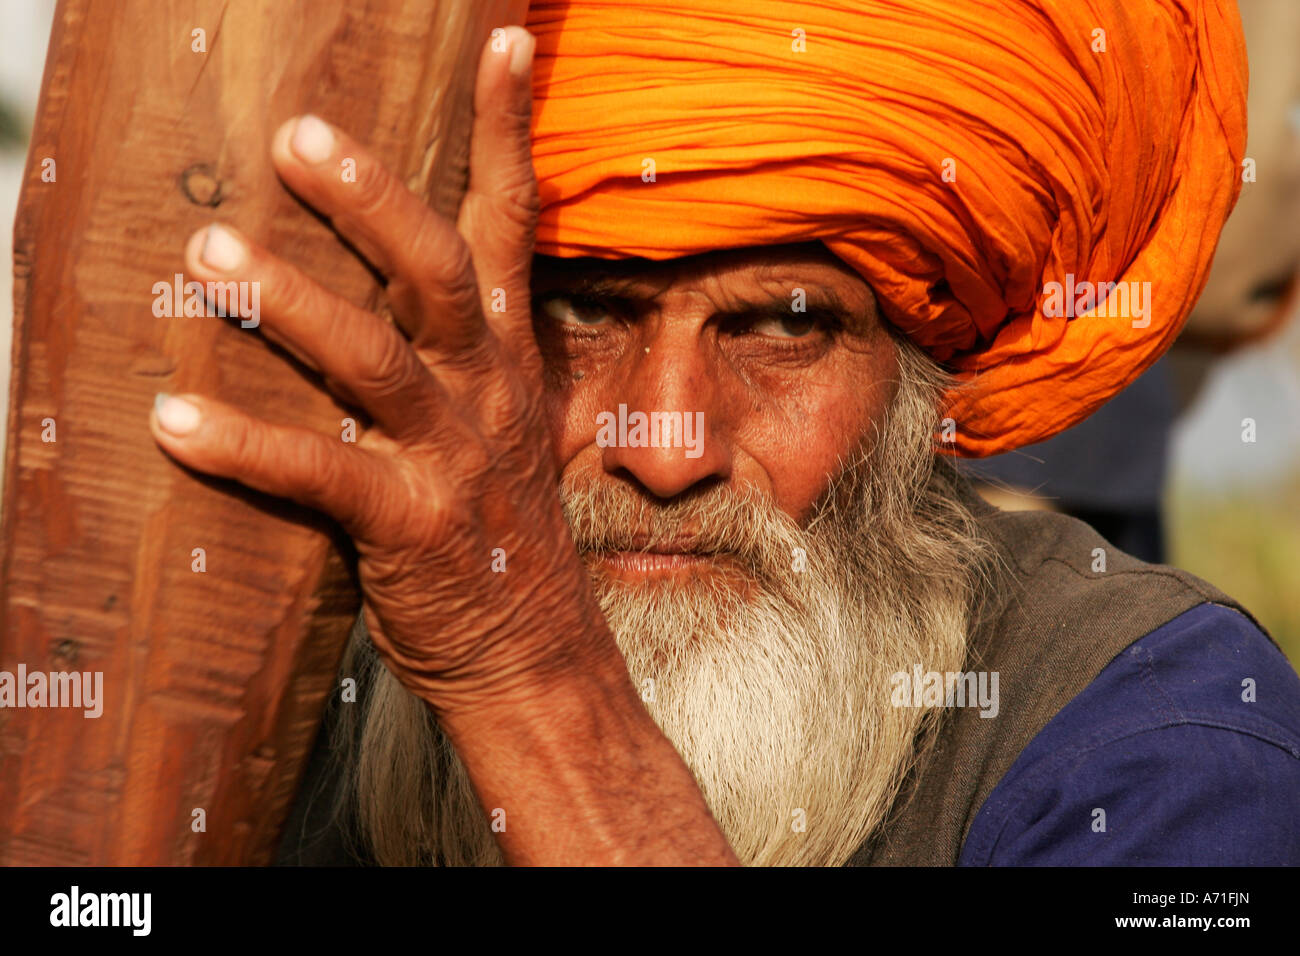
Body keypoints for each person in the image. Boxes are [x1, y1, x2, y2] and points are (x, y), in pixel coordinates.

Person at [147, 2, 1300, 866]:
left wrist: (524, 674)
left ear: (911, 390)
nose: (663, 445)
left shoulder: (1150, 732)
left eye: (785, 327)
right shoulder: (276, 668)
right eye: (580, 311)